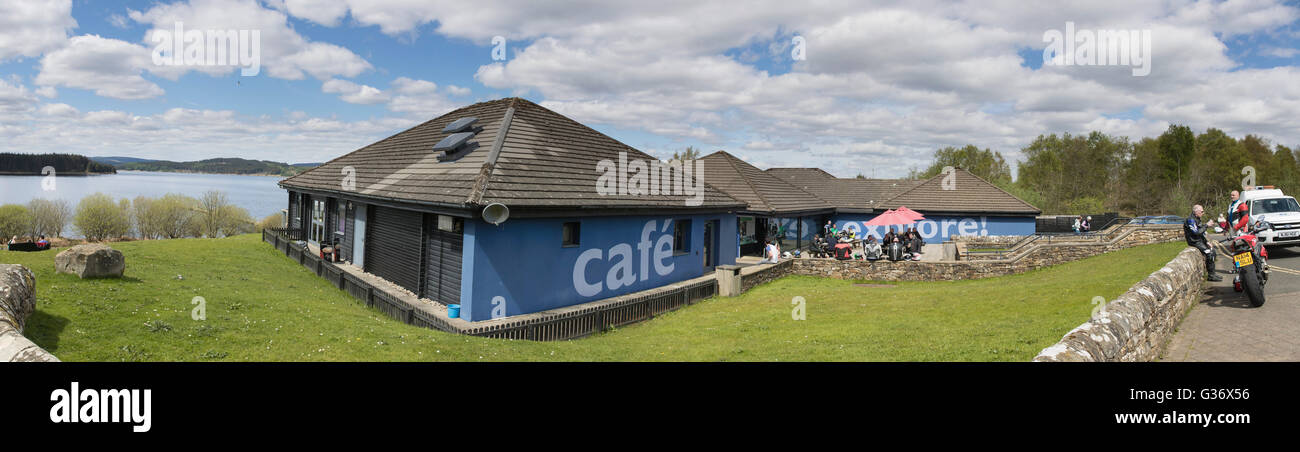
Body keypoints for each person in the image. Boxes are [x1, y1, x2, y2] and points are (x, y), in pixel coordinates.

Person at [1185, 205, 1222, 282]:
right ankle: (1211, 276)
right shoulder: (1190, 220)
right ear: (1196, 212)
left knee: (1213, 252)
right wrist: (1206, 225)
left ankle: (1213, 273)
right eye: (1202, 211)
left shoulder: (1197, 219)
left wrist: (1206, 242)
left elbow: (1201, 233)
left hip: (1199, 240)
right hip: (1194, 241)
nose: (1203, 213)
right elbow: (1196, 232)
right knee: (1209, 253)